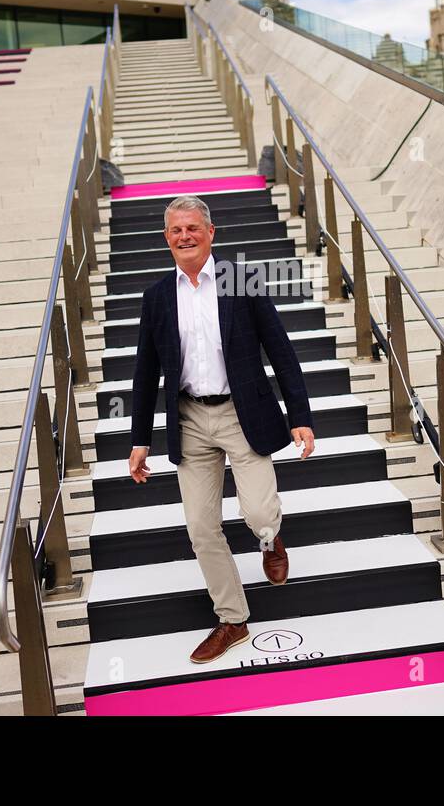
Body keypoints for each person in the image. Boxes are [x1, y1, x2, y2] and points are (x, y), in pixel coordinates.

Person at [129, 195, 316, 664]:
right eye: (176, 230)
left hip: (241, 412)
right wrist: (139, 440)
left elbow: (281, 350)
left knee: (256, 512)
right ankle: (232, 618)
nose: (185, 236)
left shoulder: (241, 281)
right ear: (166, 238)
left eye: (193, 227)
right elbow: (145, 371)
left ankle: (270, 537)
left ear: (211, 233)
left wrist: (301, 417)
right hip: (190, 418)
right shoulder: (156, 298)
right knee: (200, 527)